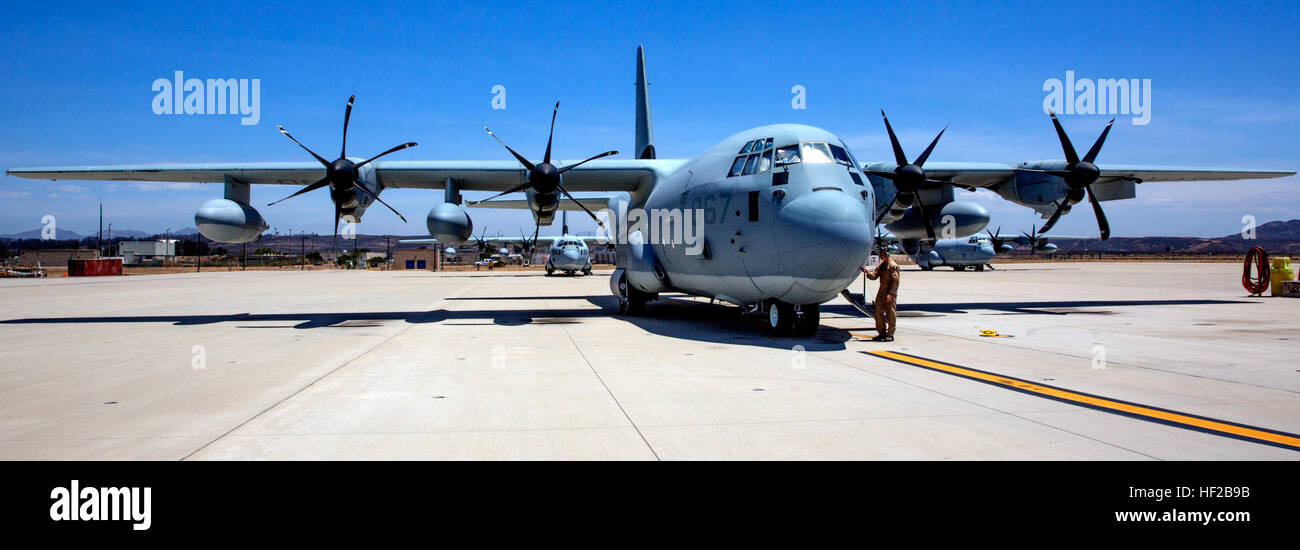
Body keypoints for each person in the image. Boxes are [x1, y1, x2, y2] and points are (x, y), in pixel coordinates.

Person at [862, 247, 900, 342]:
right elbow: (875, 275)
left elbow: (895, 282)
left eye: (882, 254)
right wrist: (868, 273)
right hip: (881, 292)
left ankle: (890, 334)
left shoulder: (892, 266)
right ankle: (881, 333)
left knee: (890, 313)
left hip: (889, 292)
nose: (880, 256)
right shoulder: (882, 265)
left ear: (887, 254)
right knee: (877, 312)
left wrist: (891, 294)